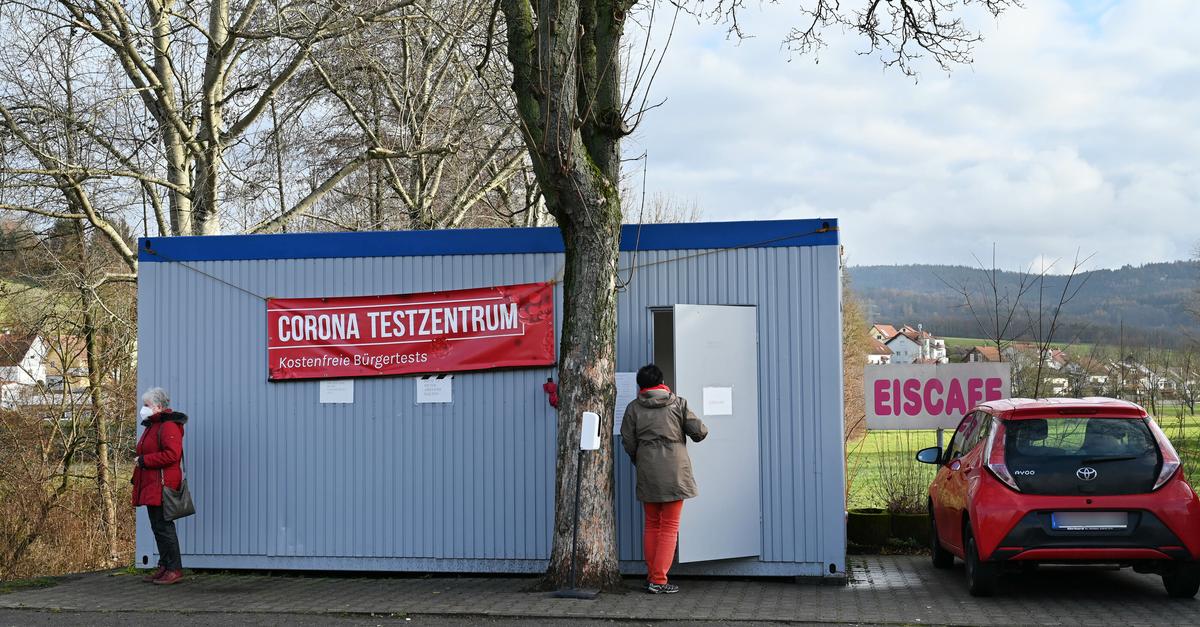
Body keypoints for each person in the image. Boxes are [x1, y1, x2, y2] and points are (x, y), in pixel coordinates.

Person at [619, 364, 708, 594]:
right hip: (675, 471)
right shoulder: (678, 403)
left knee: (652, 524)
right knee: (669, 527)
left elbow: (628, 441)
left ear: (640, 385)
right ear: (662, 382)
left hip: (647, 470)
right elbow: (700, 432)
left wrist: (640, 458)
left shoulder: (633, 408)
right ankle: (659, 581)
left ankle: (652, 576)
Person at [131, 387, 188, 585]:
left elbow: (172, 455)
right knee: (157, 527)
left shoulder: (168, 426)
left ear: (159, 407)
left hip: (163, 484)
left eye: (147, 405)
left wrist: (144, 461)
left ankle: (174, 569)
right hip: (152, 484)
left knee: (164, 527)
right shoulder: (153, 425)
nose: (143, 408)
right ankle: (165, 566)